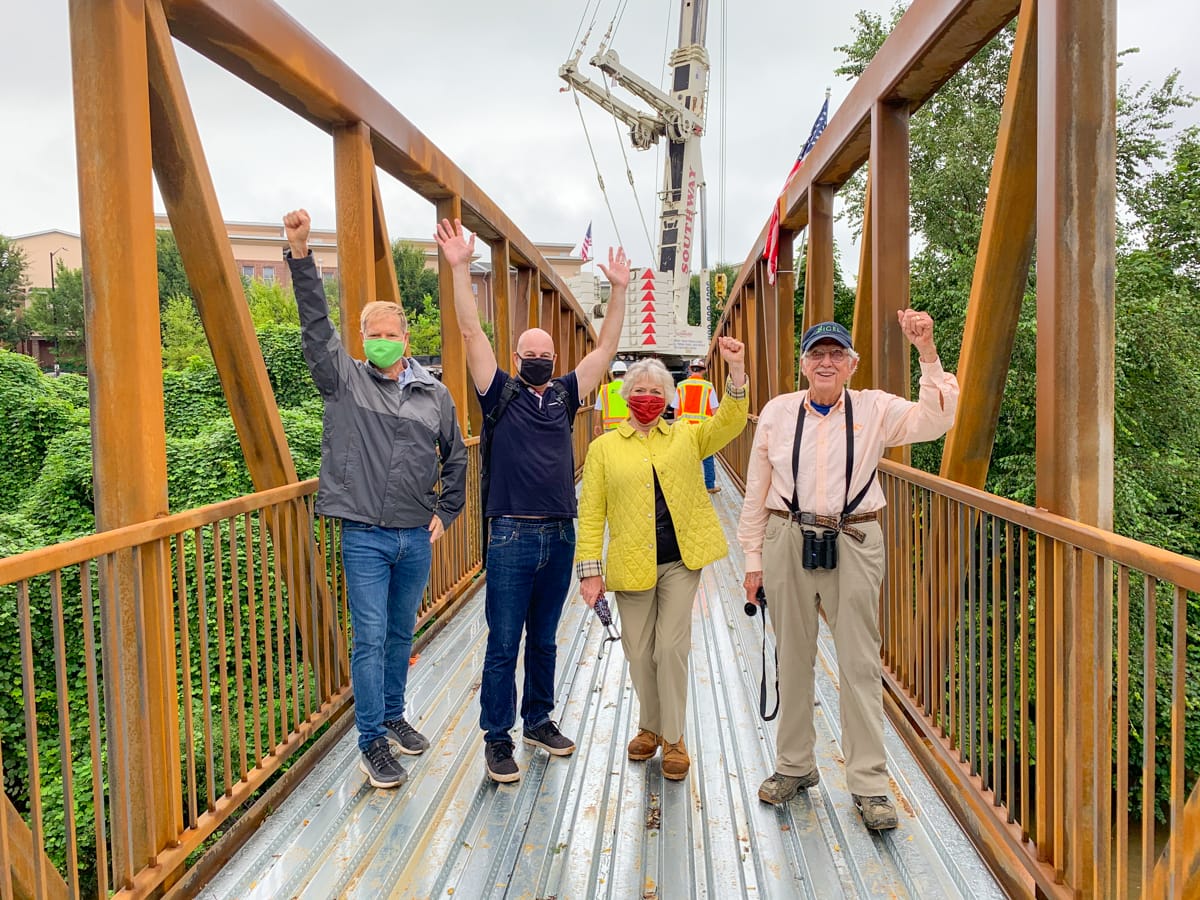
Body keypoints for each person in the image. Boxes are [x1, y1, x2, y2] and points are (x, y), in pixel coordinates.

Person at [737, 315, 958, 830]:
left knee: (859, 662)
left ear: (852, 364)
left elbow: (938, 417)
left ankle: (869, 784)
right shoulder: (777, 412)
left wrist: (926, 350)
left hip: (855, 537)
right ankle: (794, 766)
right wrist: (752, 559)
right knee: (792, 655)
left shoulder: (876, 407)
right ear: (803, 363)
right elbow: (756, 488)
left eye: (837, 354)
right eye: (818, 354)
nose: (827, 362)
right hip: (787, 536)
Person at [434, 217, 630, 784]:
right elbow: (472, 335)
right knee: (504, 640)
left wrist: (618, 290)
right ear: (518, 359)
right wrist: (456, 269)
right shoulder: (500, 394)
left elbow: (608, 347)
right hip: (512, 534)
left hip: (559, 532)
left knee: (544, 638)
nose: (540, 358)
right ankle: (497, 738)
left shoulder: (567, 394)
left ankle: (538, 719)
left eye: (546, 351)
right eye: (531, 352)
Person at [284, 209, 467, 789]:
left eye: (393, 334)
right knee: (368, 638)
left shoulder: (433, 393)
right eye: (375, 334)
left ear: (406, 339)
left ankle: (392, 716)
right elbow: (316, 325)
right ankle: (370, 741)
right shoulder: (344, 380)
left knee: (398, 634)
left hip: (414, 534)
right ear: (363, 339)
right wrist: (299, 255)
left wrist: (446, 510)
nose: (384, 342)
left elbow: (456, 453)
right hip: (363, 532)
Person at [576, 340, 747, 780]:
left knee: (670, 647)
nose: (648, 398)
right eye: (640, 391)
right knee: (638, 652)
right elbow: (592, 511)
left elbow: (729, 423)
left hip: (680, 560)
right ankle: (648, 727)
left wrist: (737, 371)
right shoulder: (604, 449)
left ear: (669, 398)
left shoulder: (688, 435)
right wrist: (589, 572)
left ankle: (673, 738)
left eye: (657, 392)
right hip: (631, 562)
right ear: (626, 396)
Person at [671, 357, 722, 493]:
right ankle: (710, 485)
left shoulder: (681, 386)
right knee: (707, 455)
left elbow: (676, 408)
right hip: (703, 427)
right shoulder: (708, 386)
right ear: (704, 371)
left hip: (685, 427)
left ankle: (687, 485)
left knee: (686, 456)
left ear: (690, 369)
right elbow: (714, 410)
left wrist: (676, 425)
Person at [593, 359, 629, 435]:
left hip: (609, 428)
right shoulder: (630, 388)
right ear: (625, 373)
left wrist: (597, 425)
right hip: (627, 426)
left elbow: (598, 408)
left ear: (612, 374)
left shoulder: (604, 389)